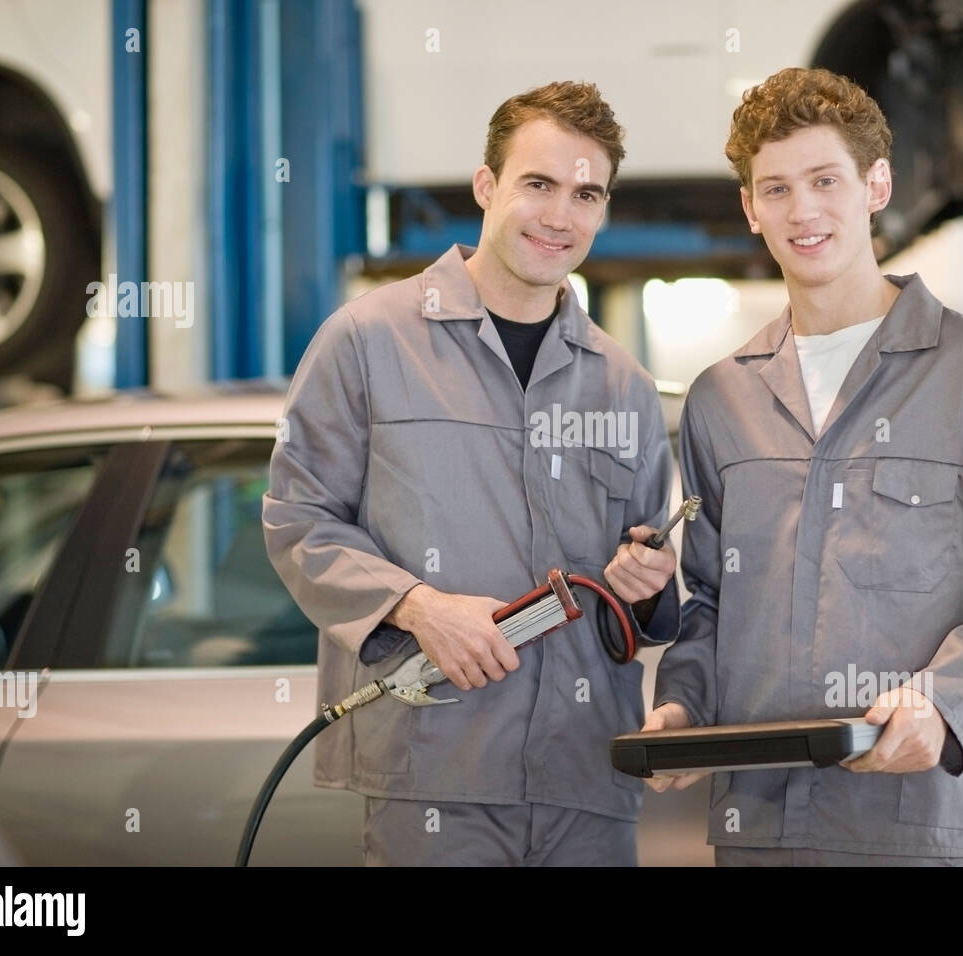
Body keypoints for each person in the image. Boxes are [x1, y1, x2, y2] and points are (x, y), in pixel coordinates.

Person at [646, 67, 963, 866]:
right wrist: (683, 705)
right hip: (761, 821)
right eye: (777, 189)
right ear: (751, 208)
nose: (803, 210)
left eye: (825, 180)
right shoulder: (724, 397)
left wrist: (947, 702)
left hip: (917, 819)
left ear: (876, 184)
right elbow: (713, 599)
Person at [263, 81, 678, 866]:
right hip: (436, 766)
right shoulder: (367, 341)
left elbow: (644, 578)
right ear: (486, 186)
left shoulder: (622, 381)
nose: (561, 215)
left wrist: (648, 578)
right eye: (539, 184)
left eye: (587, 193)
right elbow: (298, 519)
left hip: (587, 775)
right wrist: (417, 607)